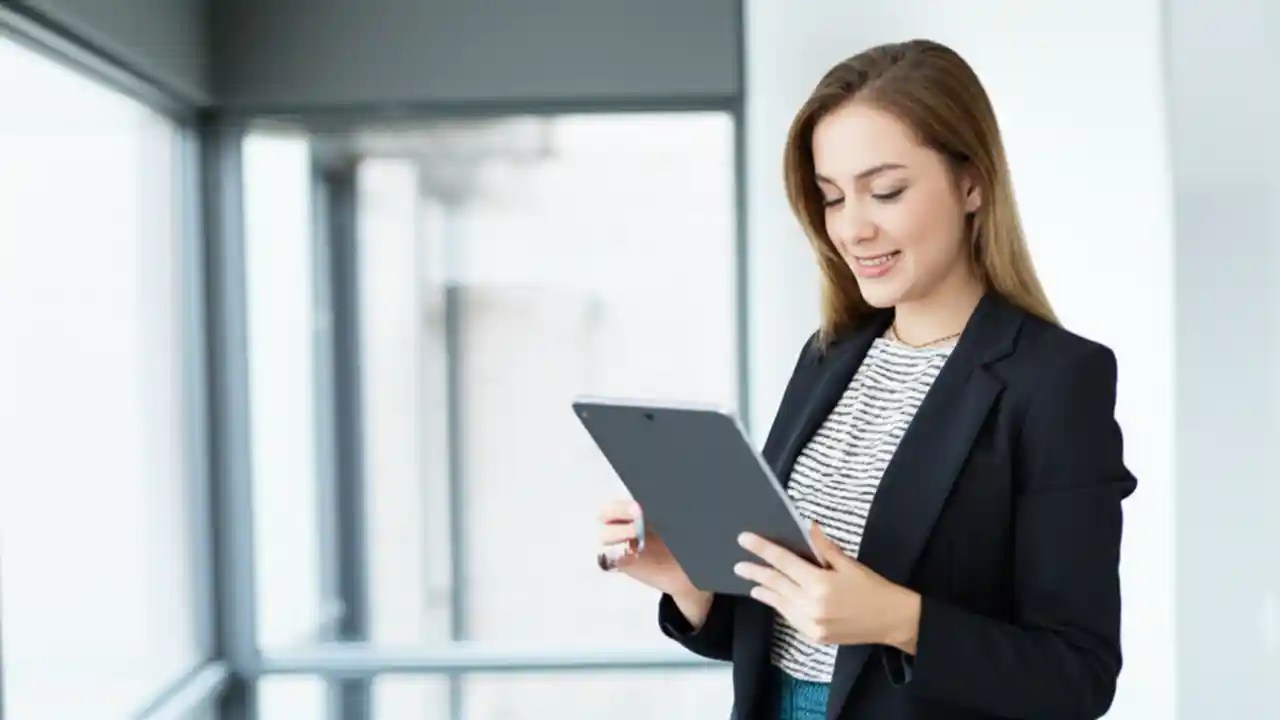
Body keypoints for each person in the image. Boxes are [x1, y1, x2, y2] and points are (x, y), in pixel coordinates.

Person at [596, 39, 1137, 720]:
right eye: (831, 197)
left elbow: (1078, 676)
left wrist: (898, 619)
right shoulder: (827, 357)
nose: (853, 228)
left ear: (972, 183)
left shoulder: (1055, 381)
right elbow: (787, 636)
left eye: (885, 191)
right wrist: (691, 587)